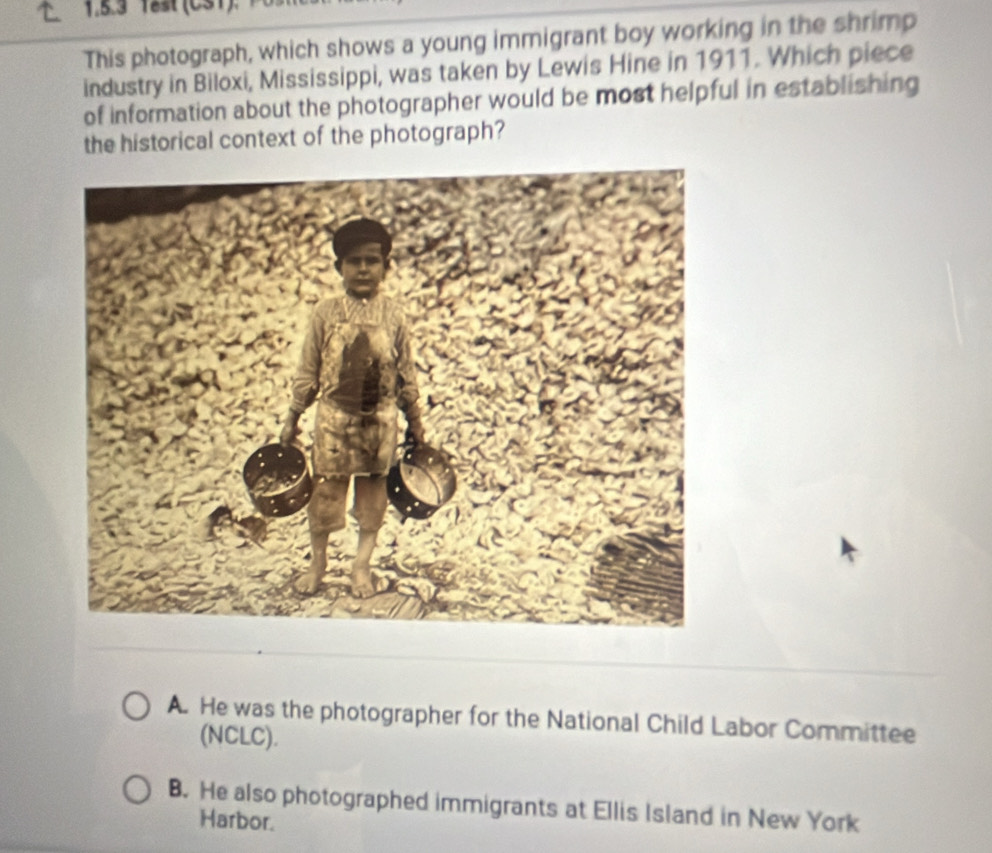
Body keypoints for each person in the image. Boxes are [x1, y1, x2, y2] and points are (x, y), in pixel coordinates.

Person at [280, 218, 425, 597]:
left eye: (372, 261)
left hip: (378, 425)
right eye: (354, 261)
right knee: (325, 497)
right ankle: (318, 564)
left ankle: (361, 567)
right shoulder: (325, 314)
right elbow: (307, 371)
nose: (363, 269)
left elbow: (406, 374)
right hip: (333, 423)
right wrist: (291, 421)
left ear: (385, 266)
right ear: (338, 267)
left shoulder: (393, 315)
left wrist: (417, 426)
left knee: (373, 499)